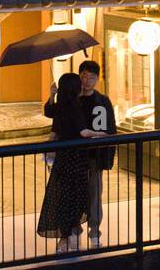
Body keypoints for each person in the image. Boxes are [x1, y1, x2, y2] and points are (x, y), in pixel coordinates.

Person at [43, 61, 117, 249]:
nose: (87, 80)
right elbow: (54, 117)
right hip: (74, 157)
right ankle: (73, 229)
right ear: (78, 77)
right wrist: (52, 95)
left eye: (92, 76)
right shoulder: (71, 100)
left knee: (94, 195)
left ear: (98, 79)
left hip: (93, 157)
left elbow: (110, 127)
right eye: (84, 76)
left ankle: (94, 231)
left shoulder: (102, 101)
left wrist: (107, 155)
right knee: (73, 195)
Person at [38, 73, 93, 252]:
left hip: (63, 159)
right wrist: (105, 136)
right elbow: (84, 132)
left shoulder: (60, 106)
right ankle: (71, 232)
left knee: (63, 196)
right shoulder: (76, 106)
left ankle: (65, 237)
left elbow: (48, 111)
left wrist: (51, 94)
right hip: (77, 159)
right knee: (76, 195)